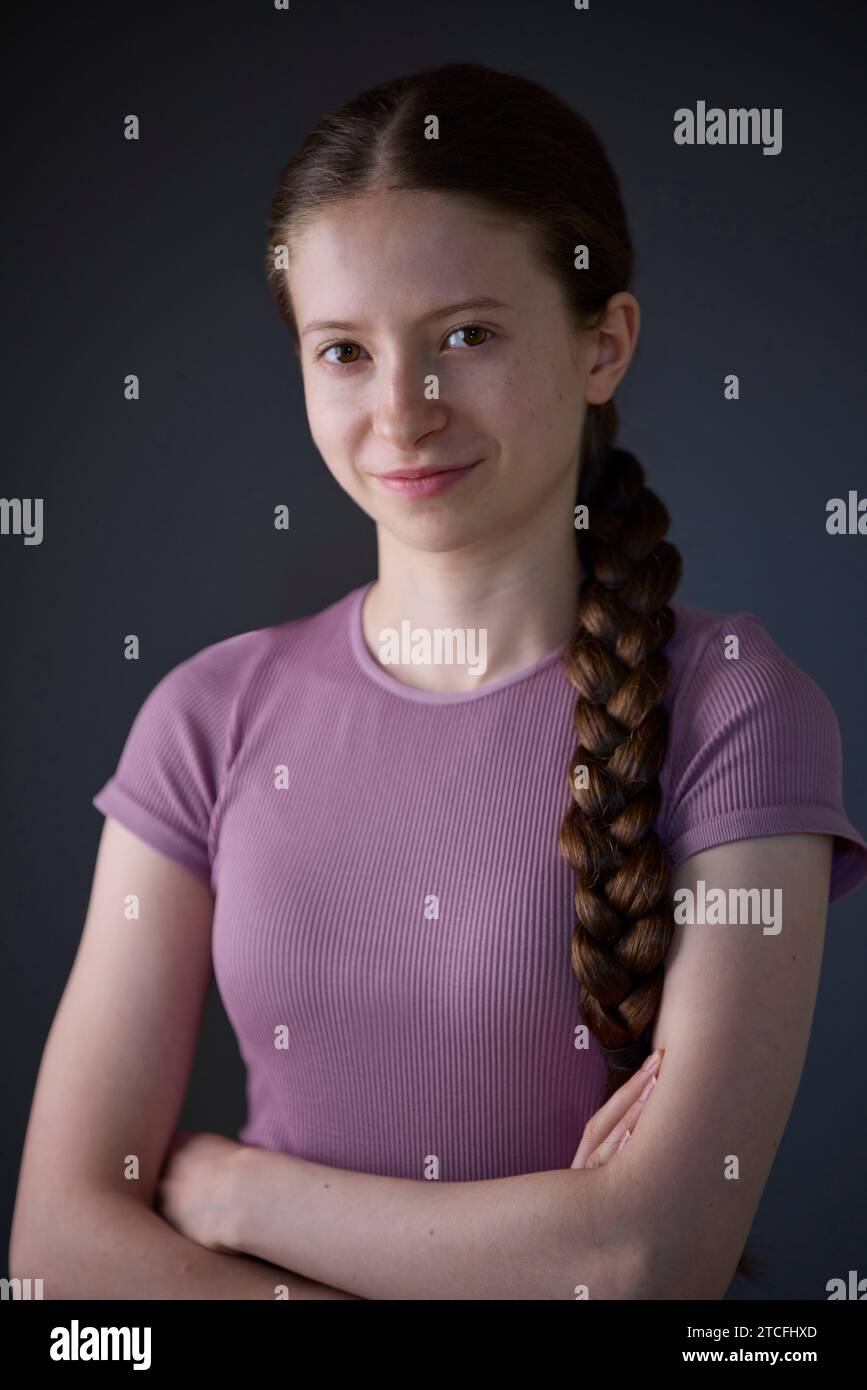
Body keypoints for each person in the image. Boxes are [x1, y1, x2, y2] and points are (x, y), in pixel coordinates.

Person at [10, 62, 867, 1301]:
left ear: (602, 346)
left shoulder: (738, 710)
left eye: (465, 335)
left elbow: (643, 1260)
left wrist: (242, 1191)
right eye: (345, 350)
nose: (401, 413)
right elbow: (56, 1252)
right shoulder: (206, 717)